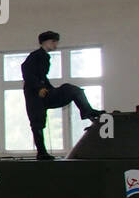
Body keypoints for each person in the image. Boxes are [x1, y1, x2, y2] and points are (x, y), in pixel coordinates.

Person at [22, 31, 105, 160]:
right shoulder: (35, 56)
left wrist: (47, 88)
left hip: (45, 92)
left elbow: (42, 76)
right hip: (35, 95)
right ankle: (41, 152)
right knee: (37, 123)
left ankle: (87, 111)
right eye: (53, 41)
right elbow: (27, 72)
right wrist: (39, 87)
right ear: (46, 42)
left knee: (73, 90)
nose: (56, 44)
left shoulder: (44, 56)